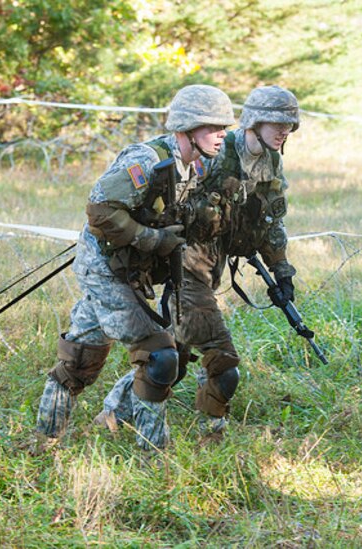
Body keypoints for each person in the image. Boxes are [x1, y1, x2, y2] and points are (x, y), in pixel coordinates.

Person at [93, 85, 302, 441]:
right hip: (187, 262)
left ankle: (113, 412)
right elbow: (168, 196)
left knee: (174, 355)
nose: (284, 131)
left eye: (290, 126)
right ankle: (211, 431)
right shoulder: (216, 153)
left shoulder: (271, 162)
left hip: (213, 263)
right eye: (277, 123)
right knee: (219, 356)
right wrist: (151, 240)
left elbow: (272, 221)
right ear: (254, 121)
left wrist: (281, 270)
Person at [34, 85, 236, 450]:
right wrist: (152, 240)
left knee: (80, 357)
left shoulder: (195, 165)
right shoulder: (146, 161)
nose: (222, 134)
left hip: (129, 270)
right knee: (159, 356)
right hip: (104, 269)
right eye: (213, 126)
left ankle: (45, 437)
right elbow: (100, 211)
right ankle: (152, 454)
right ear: (187, 127)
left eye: (224, 127)